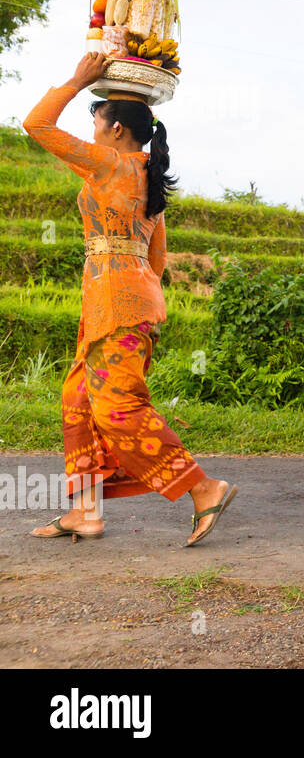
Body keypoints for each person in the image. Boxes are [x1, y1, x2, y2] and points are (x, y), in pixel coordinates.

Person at [25, 52, 236, 546]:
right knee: (77, 398)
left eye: (97, 116)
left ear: (117, 129)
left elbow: (36, 124)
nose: (93, 125)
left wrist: (78, 80)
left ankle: (202, 488)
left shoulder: (110, 164)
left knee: (119, 407)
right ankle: (85, 511)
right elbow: (157, 259)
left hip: (116, 305)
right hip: (125, 302)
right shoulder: (145, 175)